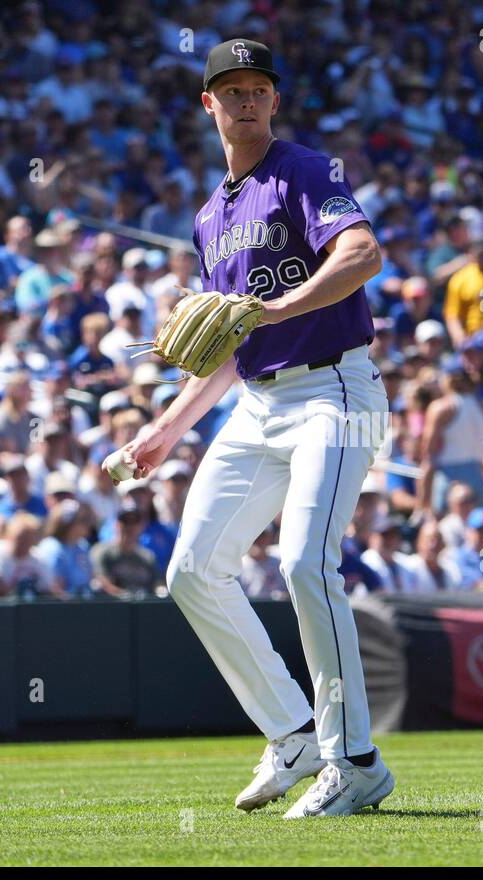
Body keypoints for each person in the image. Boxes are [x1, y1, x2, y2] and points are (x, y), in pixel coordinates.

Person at [105, 40, 393, 818]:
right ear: (208, 105)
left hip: (335, 391)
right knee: (192, 569)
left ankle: (355, 761)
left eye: (256, 88)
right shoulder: (208, 216)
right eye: (227, 89)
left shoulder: (306, 170)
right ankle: (293, 732)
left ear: (273, 101)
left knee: (305, 563)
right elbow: (226, 346)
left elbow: (363, 254)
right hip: (259, 404)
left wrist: (276, 307)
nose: (243, 101)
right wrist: (165, 429)